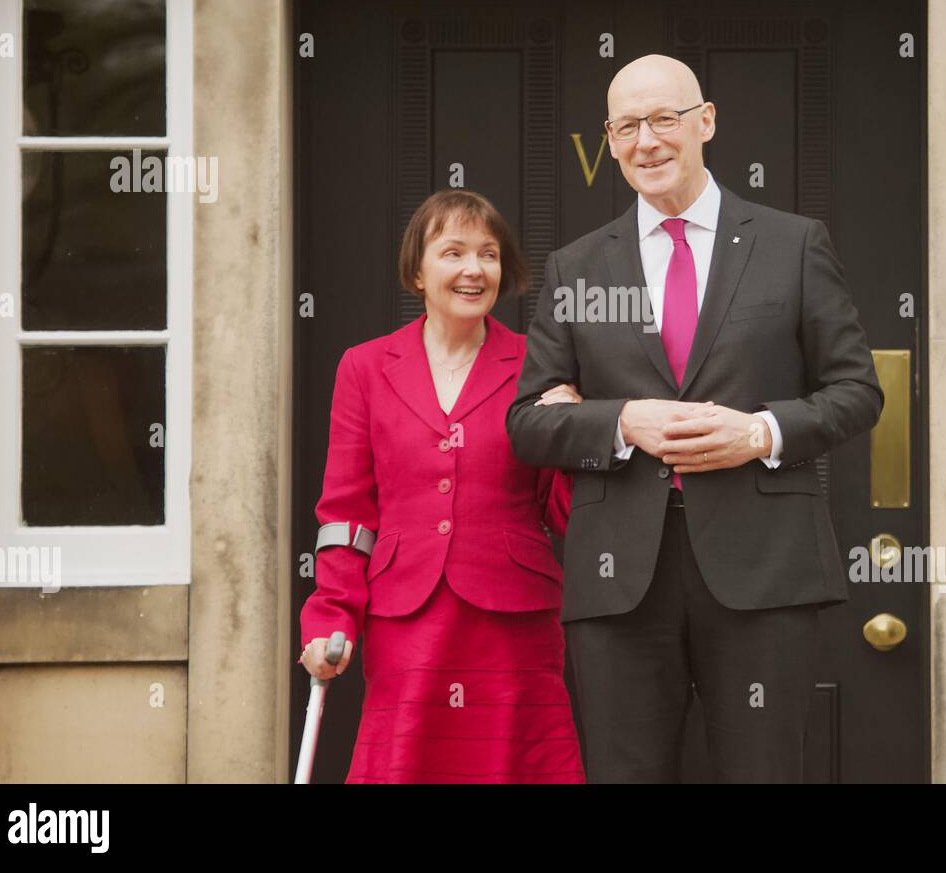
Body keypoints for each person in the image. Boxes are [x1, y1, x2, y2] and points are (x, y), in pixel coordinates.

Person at [507, 54, 884, 783]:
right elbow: (528, 420)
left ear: (705, 121)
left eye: (663, 119)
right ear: (609, 141)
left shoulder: (793, 244)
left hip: (763, 569)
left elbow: (857, 389)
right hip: (620, 579)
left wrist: (760, 433)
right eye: (626, 126)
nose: (646, 140)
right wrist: (623, 421)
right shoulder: (577, 267)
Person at [299, 189, 585, 784]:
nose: (473, 269)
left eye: (488, 254)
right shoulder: (364, 367)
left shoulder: (538, 366)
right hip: (407, 623)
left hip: (514, 628)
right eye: (453, 252)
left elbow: (567, 515)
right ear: (418, 271)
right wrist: (331, 615)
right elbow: (347, 514)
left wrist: (575, 439)